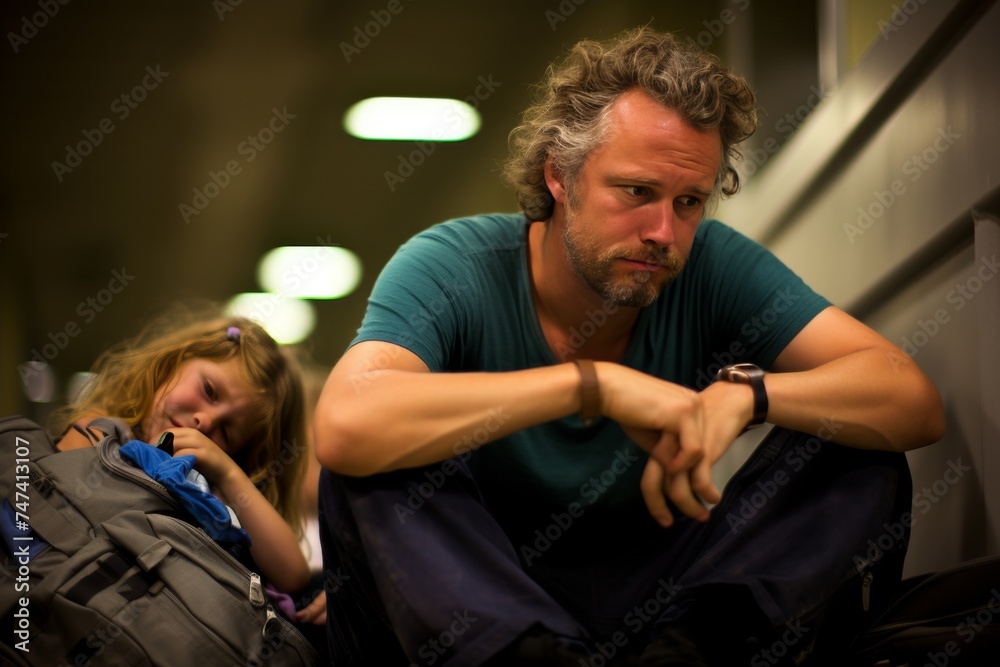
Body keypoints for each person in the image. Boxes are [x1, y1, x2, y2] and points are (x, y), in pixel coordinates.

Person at [313, 27, 945, 666]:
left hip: (658, 620)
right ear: (559, 176)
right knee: (372, 457)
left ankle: (688, 658)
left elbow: (910, 401)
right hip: (481, 608)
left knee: (850, 446)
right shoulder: (455, 265)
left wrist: (749, 396)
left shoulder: (710, 267)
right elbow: (344, 424)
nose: (663, 232)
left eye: (690, 202)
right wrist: (595, 386)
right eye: (637, 192)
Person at [54, 312, 314, 599]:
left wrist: (228, 474)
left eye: (227, 433)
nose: (206, 421)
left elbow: (293, 577)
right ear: (177, 359)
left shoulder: (213, 492)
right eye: (209, 391)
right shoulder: (98, 432)